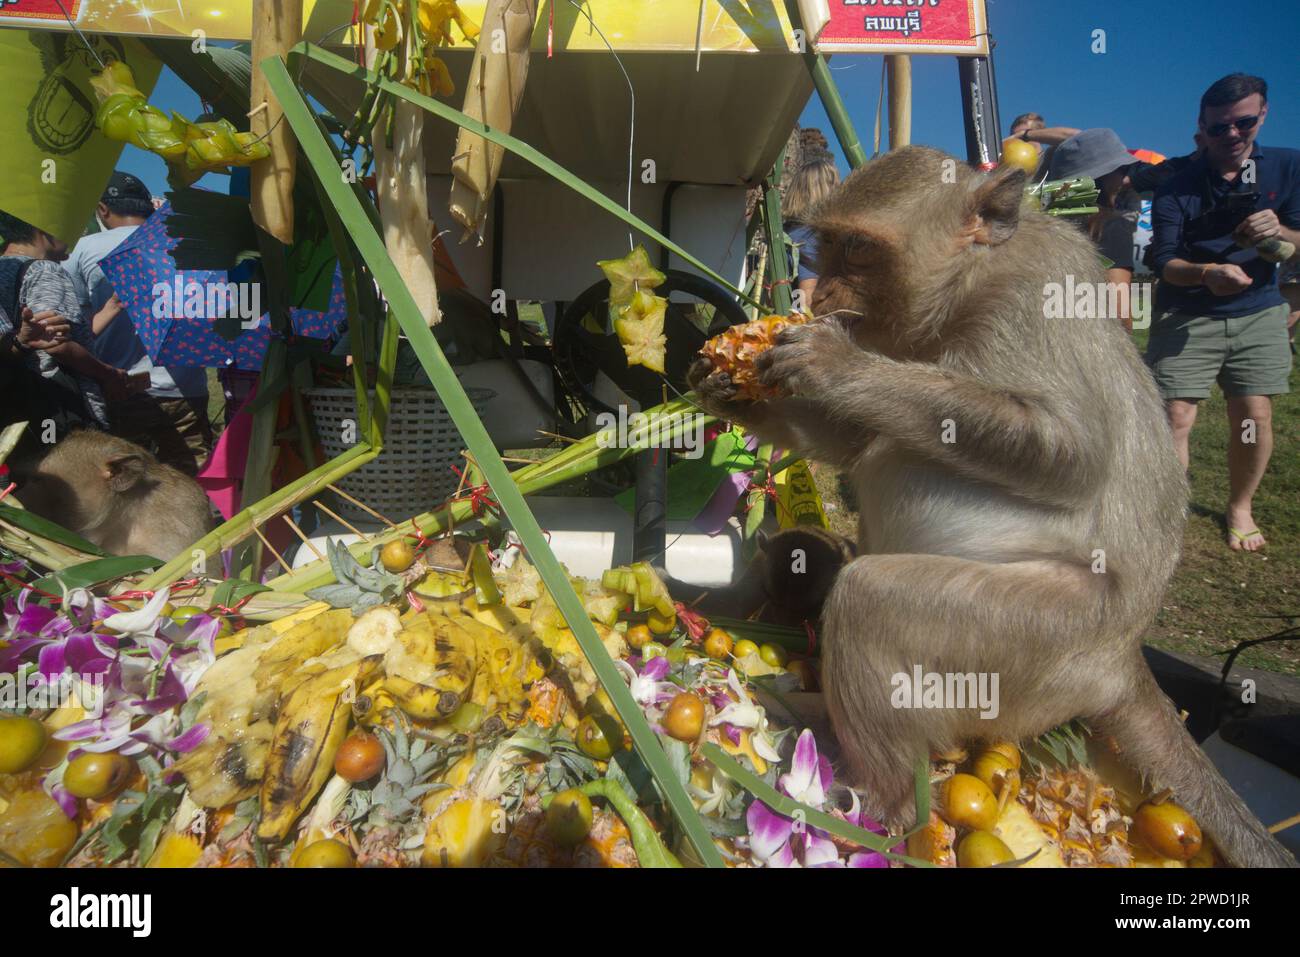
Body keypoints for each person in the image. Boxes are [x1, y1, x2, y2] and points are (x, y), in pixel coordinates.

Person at [1145, 73, 1300, 552]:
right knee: (1174, 415)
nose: (1231, 135)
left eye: (1244, 123)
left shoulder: (1288, 167)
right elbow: (1162, 260)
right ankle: (1167, 512)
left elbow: (1297, 243)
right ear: (1202, 126)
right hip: (1188, 312)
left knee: (1252, 414)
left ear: (1262, 116)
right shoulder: (1177, 184)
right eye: (1218, 128)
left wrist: (1282, 235)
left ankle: (1240, 506)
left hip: (1258, 310)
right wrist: (1206, 273)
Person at [63, 172, 214, 475]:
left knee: (128, 486)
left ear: (103, 210)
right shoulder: (188, 245)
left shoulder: (84, 249)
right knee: (192, 479)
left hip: (120, 386)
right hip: (187, 386)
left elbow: (77, 322)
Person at [0, 211, 127, 433]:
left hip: (20, 410)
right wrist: (108, 374)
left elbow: (47, 335)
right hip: (61, 406)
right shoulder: (44, 270)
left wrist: (109, 309)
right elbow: (55, 345)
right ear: (44, 230)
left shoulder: (4, 267)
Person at [1047, 129, 1144, 330]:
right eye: (1123, 170)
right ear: (1105, 176)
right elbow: (1119, 313)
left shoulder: (1042, 227)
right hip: (1088, 348)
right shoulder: (1110, 227)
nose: (1124, 179)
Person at [782, 152, 841, 309]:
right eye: (835, 184)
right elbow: (807, 288)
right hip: (811, 315)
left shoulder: (788, 231)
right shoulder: (814, 236)